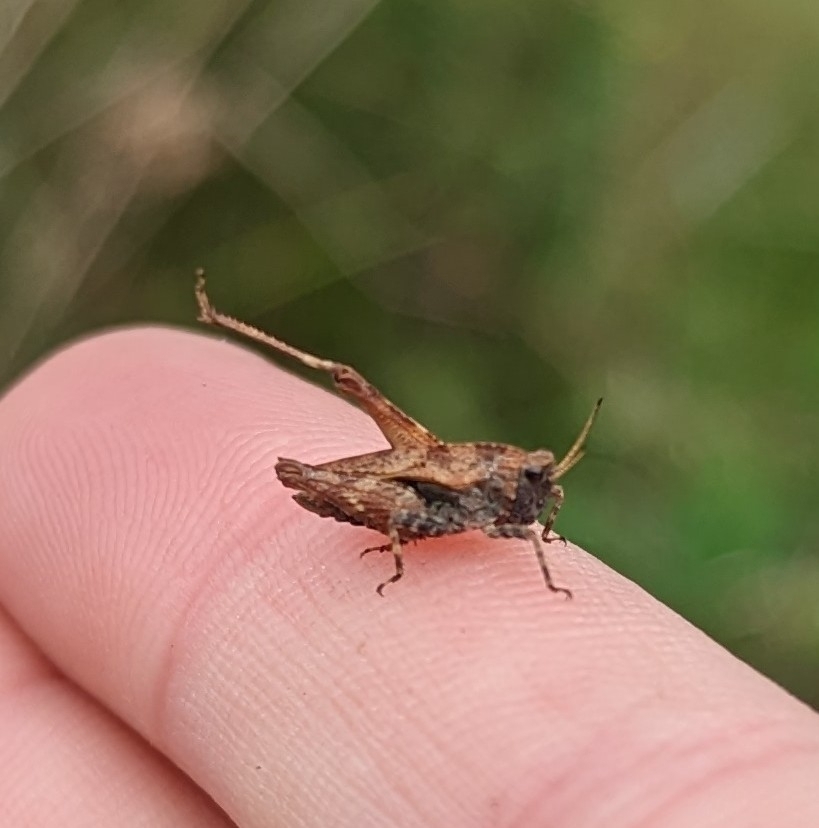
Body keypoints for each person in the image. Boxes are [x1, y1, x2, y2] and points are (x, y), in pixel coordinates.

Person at [0, 327, 817, 826]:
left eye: (543, 479)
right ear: (512, 474)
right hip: (388, 494)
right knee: (359, 389)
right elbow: (489, 512)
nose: (546, 489)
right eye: (538, 477)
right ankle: (220, 323)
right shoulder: (485, 493)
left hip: (425, 483)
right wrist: (403, 536)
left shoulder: (518, 495)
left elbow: (532, 516)